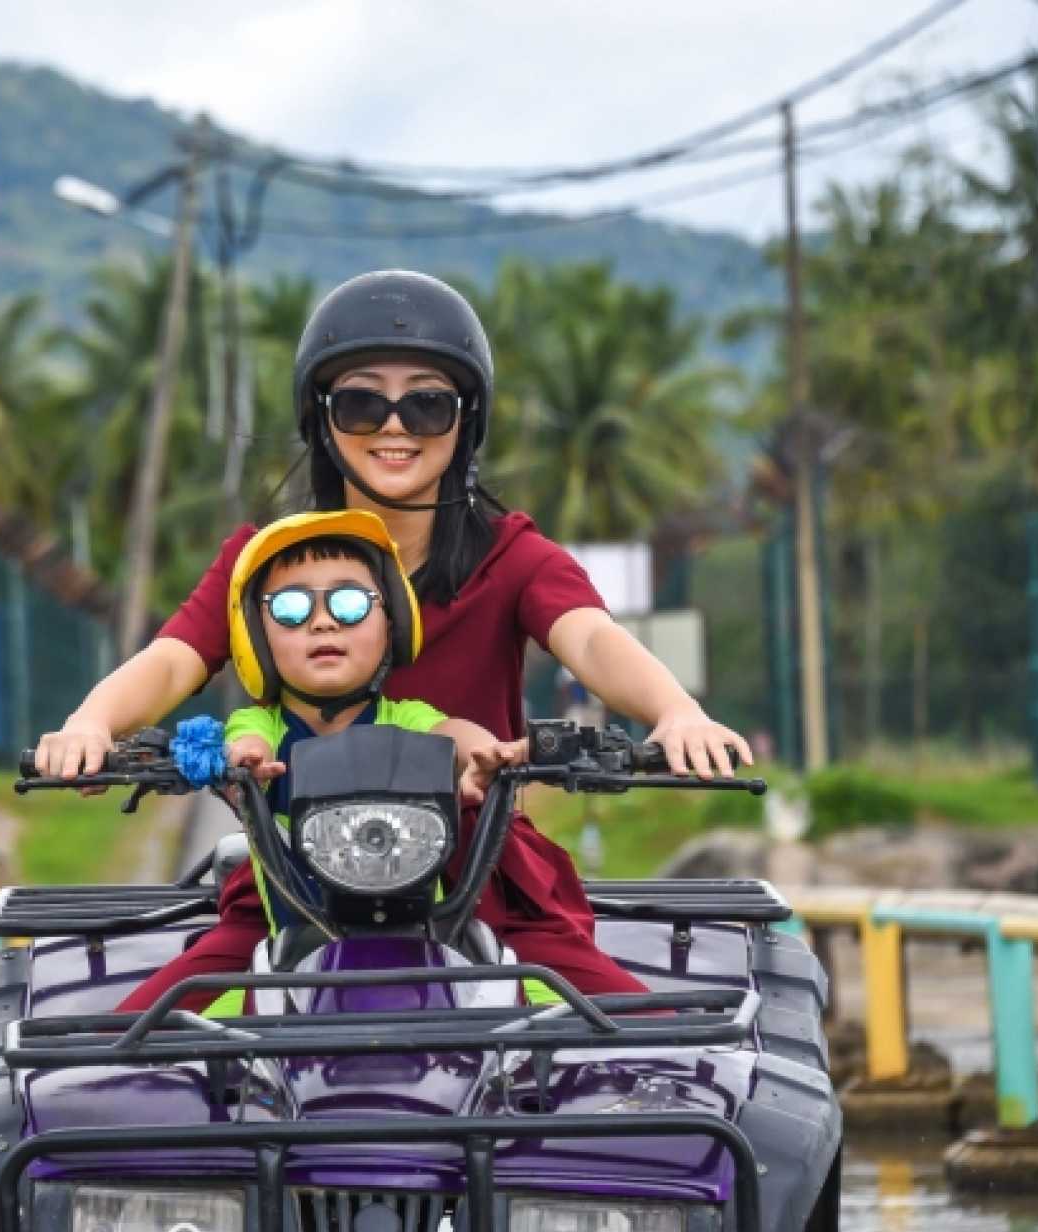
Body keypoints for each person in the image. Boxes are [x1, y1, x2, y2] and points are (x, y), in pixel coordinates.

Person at [37, 268, 752, 1005]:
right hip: (297, 873)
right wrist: (91, 723)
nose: (394, 427)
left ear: (466, 419)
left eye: (428, 405)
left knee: (640, 1037)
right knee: (130, 1044)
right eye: (360, 402)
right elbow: (170, 659)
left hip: (476, 868)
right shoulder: (266, 561)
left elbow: (595, 640)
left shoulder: (511, 555)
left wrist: (675, 712)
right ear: (322, 418)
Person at [114, 510, 531, 1011]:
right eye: (291, 607)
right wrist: (241, 763)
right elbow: (248, 746)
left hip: (427, 945)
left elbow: (454, 734)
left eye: (350, 602)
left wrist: (493, 752)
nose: (323, 620)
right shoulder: (261, 725)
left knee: (563, 1020)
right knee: (134, 1035)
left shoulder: (407, 719)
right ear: (255, 634)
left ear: (391, 618)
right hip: (285, 942)